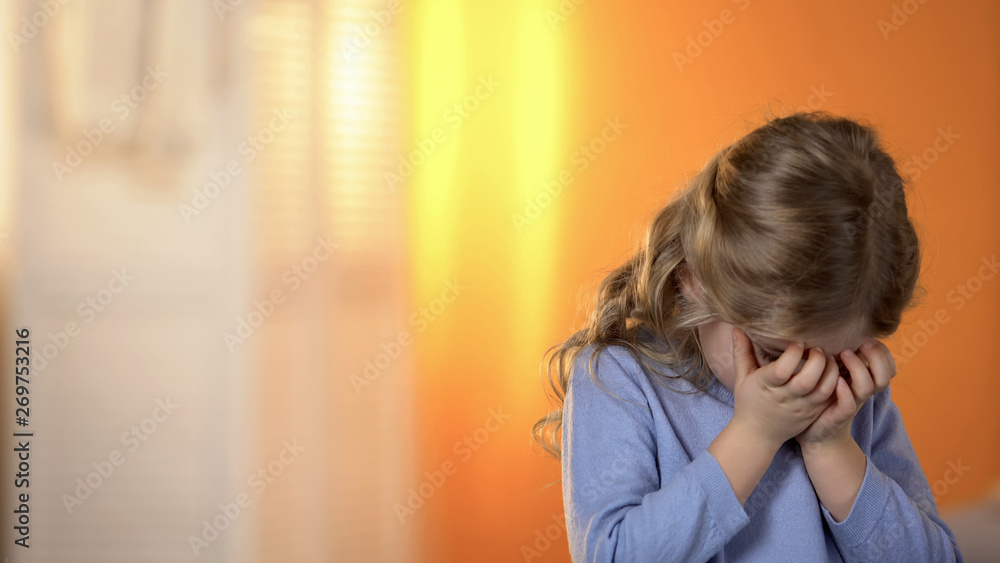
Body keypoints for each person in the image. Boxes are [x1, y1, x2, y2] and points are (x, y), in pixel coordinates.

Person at [531, 111, 964, 562]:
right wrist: (755, 434)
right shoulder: (620, 378)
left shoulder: (851, 397)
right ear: (693, 280)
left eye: (838, 359)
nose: (811, 380)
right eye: (774, 353)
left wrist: (832, 448)